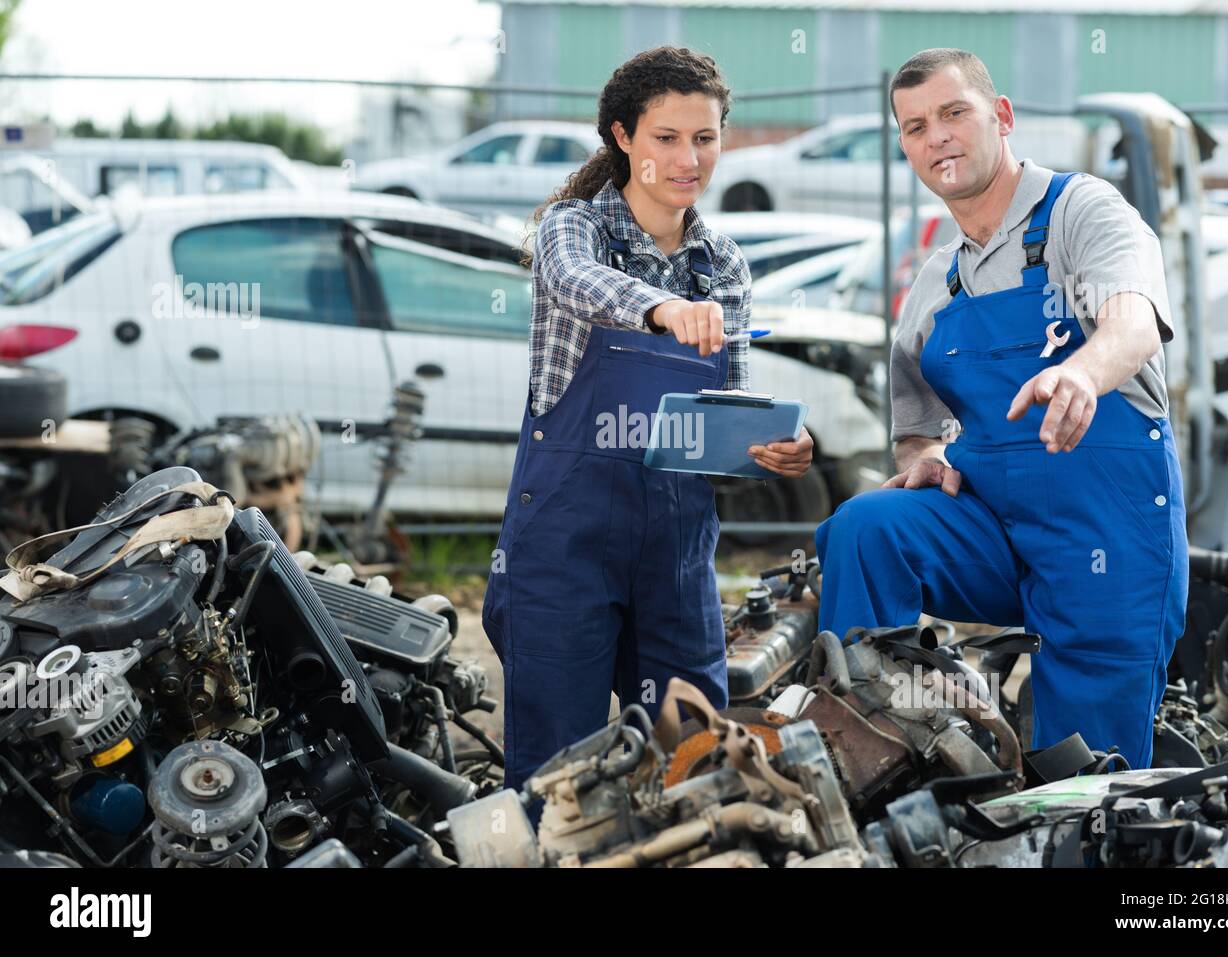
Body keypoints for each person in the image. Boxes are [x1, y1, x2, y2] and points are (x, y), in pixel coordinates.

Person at [815, 48, 1189, 770]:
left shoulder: (1083, 211)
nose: (938, 137)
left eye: (955, 113)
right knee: (867, 525)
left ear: (1003, 117)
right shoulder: (933, 285)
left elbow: (1134, 322)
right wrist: (922, 460)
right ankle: (871, 745)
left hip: (1107, 534)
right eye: (916, 126)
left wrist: (1082, 373)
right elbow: (916, 429)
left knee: (1078, 776)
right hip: (995, 528)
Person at [483, 46, 814, 794]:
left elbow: (722, 418)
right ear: (622, 137)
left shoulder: (722, 264)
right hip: (564, 546)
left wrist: (772, 447)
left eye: (705, 138)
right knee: (557, 774)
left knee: (692, 754)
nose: (688, 157)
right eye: (666, 137)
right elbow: (572, 278)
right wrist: (659, 309)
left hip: (675, 548)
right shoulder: (577, 228)